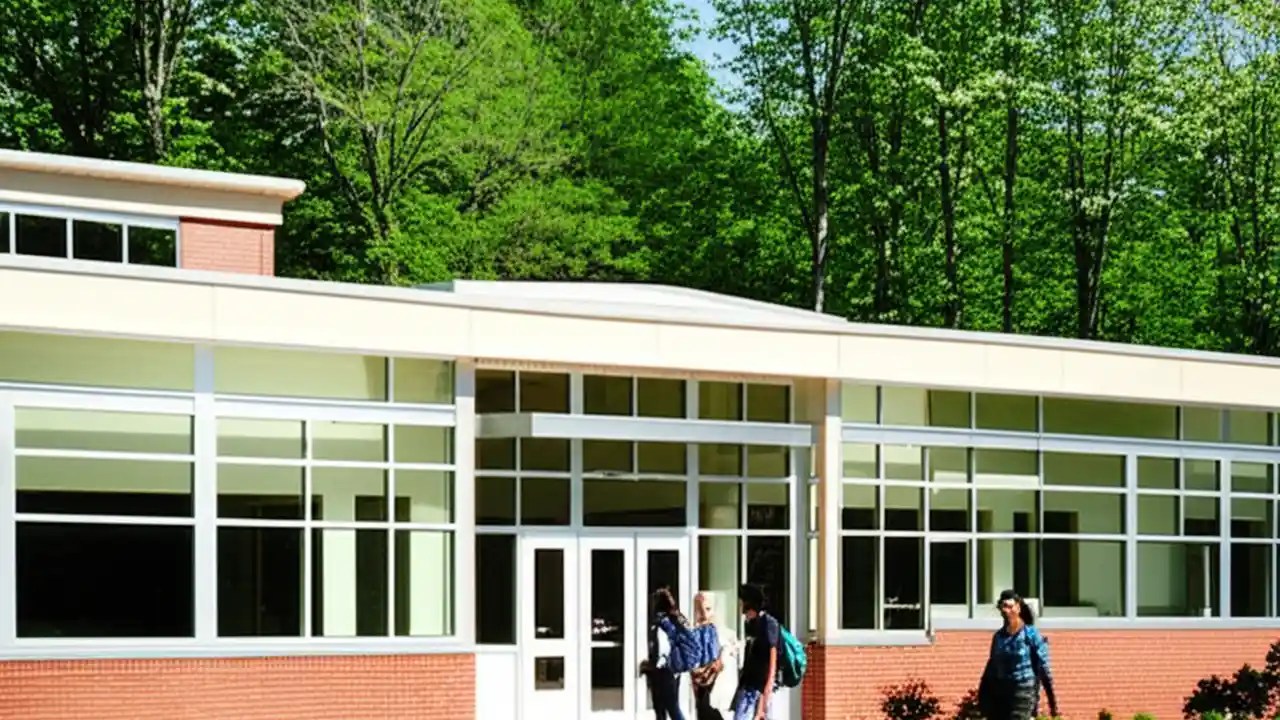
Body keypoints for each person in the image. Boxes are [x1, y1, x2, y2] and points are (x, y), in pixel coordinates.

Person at [978, 590, 1059, 720]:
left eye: (1010, 606)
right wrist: (983, 695)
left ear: (1018, 608)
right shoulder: (998, 637)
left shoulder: (1030, 634)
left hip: (1023, 693)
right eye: (1003, 606)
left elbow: (1043, 667)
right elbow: (992, 666)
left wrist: (1052, 700)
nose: (1006, 610)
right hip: (1000, 693)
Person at [640, 587, 689, 720]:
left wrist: (651, 665)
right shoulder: (677, 618)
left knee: (668, 708)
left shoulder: (662, 622)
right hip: (675, 669)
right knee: (669, 706)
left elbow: (662, 648)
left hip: (663, 671)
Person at [732, 583, 778, 720]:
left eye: (742, 602)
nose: (740, 607)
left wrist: (768, 686)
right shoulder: (751, 624)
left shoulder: (768, 623)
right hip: (748, 684)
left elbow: (773, 654)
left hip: (759, 686)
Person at [690, 592, 734, 720]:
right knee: (702, 708)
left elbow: (719, 650)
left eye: (708, 609)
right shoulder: (696, 630)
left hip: (710, 675)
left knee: (706, 707)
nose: (704, 614)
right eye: (700, 609)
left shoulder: (711, 630)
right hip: (700, 676)